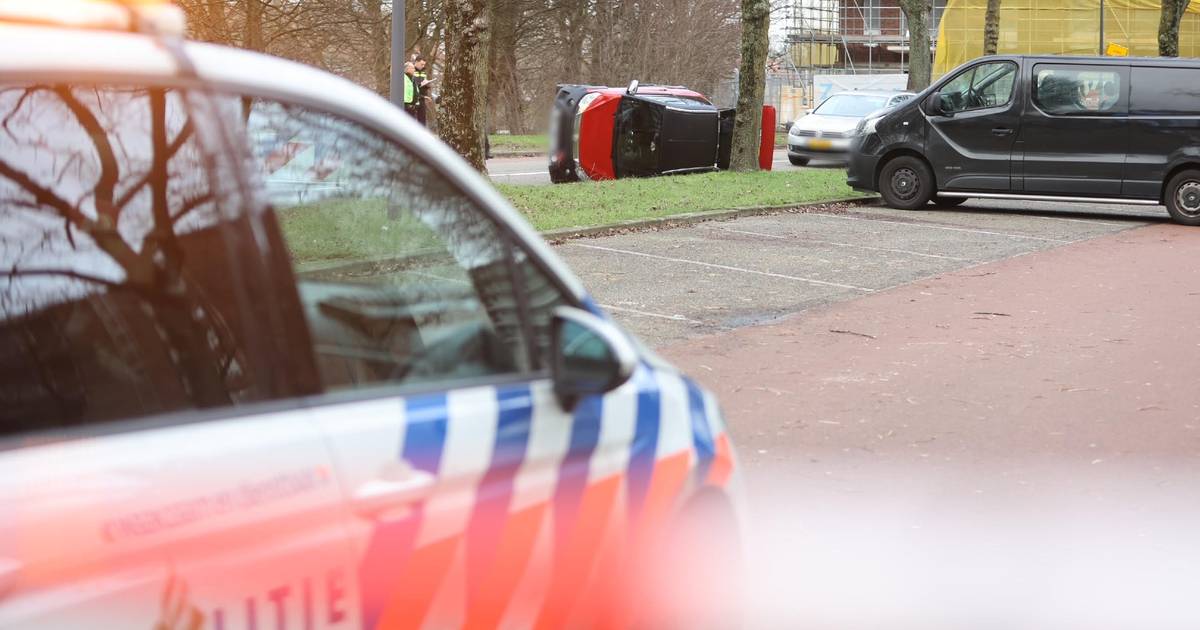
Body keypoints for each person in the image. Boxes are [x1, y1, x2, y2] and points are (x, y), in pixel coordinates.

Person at [413, 55, 433, 126]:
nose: (423, 66)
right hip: (413, 99)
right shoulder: (411, 70)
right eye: (421, 64)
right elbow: (411, 85)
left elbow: (423, 84)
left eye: (424, 64)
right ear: (416, 62)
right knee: (411, 120)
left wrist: (427, 85)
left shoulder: (424, 72)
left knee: (422, 120)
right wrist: (420, 84)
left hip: (422, 98)